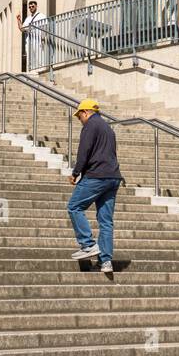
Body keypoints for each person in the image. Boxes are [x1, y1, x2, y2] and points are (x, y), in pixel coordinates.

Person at [67, 98, 122, 275]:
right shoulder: (108, 128)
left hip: (96, 175)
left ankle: (88, 244)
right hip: (113, 177)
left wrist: (76, 172)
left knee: (74, 207)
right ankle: (105, 262)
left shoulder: (90, 125)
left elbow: (84, 151)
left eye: (79, 116)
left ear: (85, 112)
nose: (79, 120)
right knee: (106, 221)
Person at [16, 0, 49, 72]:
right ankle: (31, 72)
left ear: (36, 6)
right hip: (29, 42)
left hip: (38, 41)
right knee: (30, 59)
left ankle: (41, 72)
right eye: (30, 7)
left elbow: (45, 28)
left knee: (39, 58)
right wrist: (18, 20)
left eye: (33, 6)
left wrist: (42, 39)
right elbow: (22, 29)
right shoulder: (28, 18)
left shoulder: (41, 16)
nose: (31, 8)